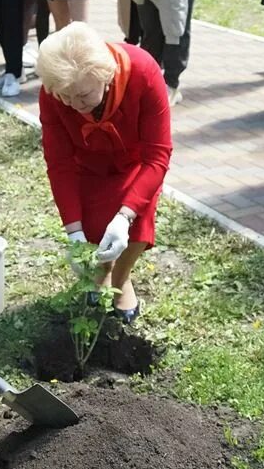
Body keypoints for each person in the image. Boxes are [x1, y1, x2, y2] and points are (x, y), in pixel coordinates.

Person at [38, 22, 172, 324]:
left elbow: (158, 155)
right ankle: (99, 276)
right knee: (92, 225)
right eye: (65, 97)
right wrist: (73, 231)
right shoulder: (55, 88)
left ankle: (121, 279)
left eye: (82, 96)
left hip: (136, 163)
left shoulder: (142, 72)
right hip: (88, 165)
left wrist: (124, 217)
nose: (74, 105)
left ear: (105, 75)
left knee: (136, 222)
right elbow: (59, 163)